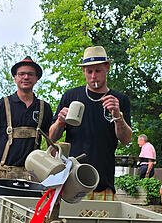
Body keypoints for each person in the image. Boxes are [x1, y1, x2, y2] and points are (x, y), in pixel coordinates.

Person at [49, 46, 132, 199]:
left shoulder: (119, 100)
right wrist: (60, 122)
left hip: (103, 181)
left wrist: (117, 116)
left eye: (98, 70)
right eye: (89, 71)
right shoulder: (71, 96)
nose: (93, 76)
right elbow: (52, 137)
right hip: (71, 180)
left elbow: (126, 139)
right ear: (84, 71)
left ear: (107, 67)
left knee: (103, 216)